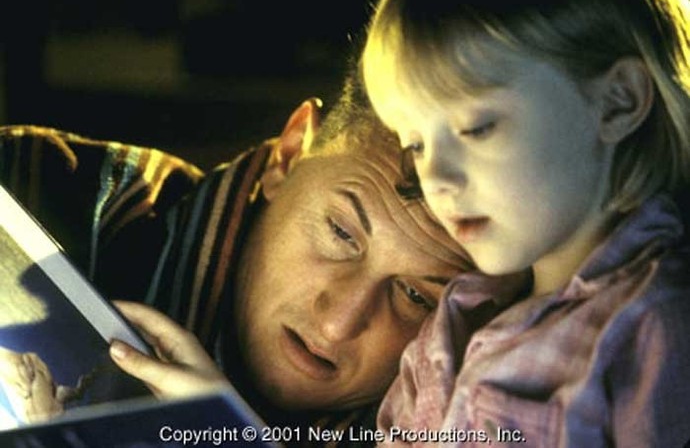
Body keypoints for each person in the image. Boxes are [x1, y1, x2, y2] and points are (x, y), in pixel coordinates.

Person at [0, 72, 527, 442]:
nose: (339, 323)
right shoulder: (34, 186)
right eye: (341, 233)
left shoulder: (473, 408)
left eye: (415, 295)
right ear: (291, 152)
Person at [361, 0, 690, 446]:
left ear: (617, 101)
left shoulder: (654, 326)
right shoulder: (451, 322)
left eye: (476, 128)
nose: (434, 177)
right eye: (415, 144)